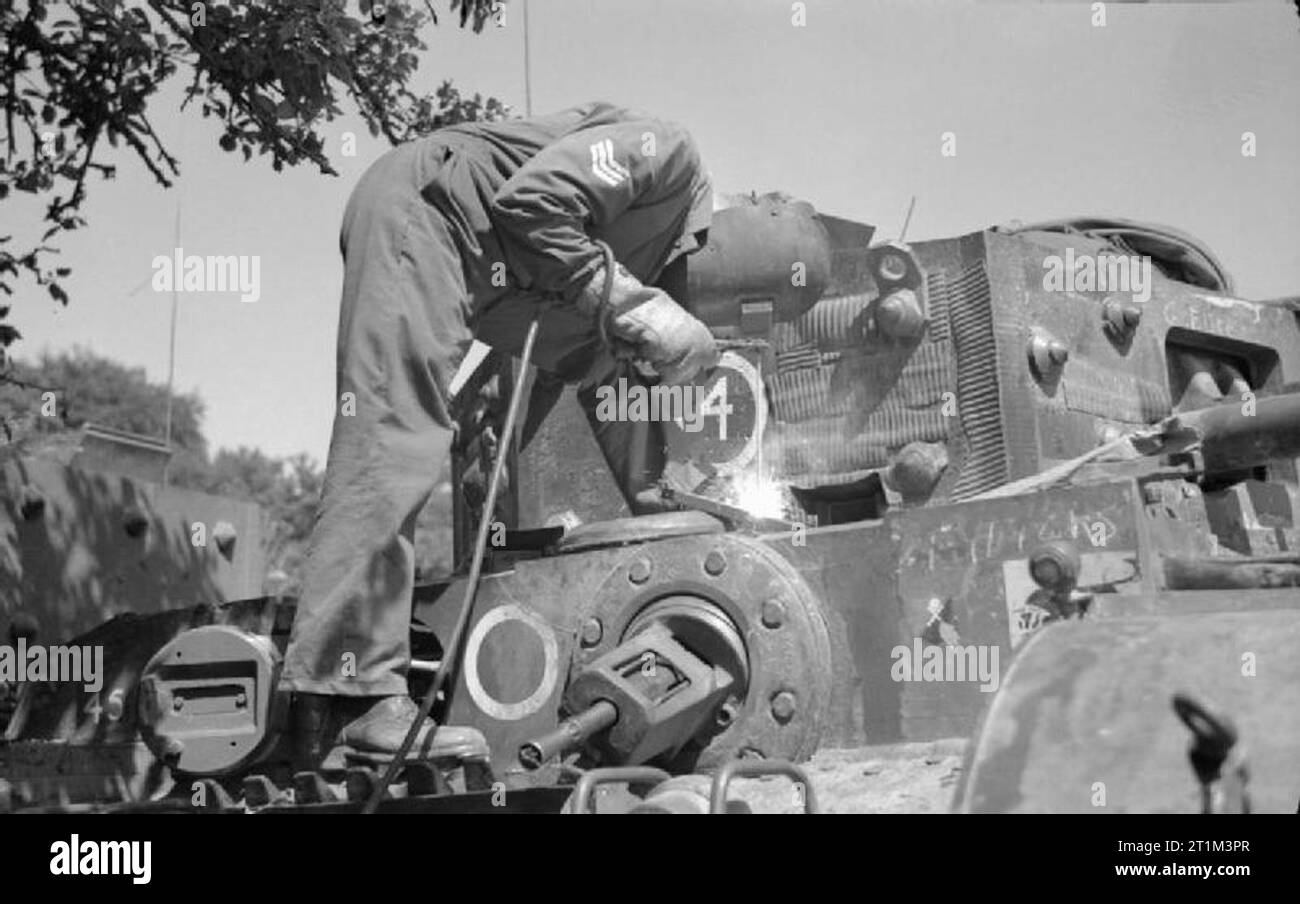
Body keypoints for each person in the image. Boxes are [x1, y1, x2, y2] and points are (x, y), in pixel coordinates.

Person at [280, 101, 719, 765]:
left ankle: (342, 704)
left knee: (580, 361)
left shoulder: (613, 266)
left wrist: (670, 508)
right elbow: (532, 200)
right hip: (425, 213)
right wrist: (639, 305)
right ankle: (354, 699)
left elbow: (603, 381)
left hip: (483, 261)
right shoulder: (670, 153)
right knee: (394, 438)